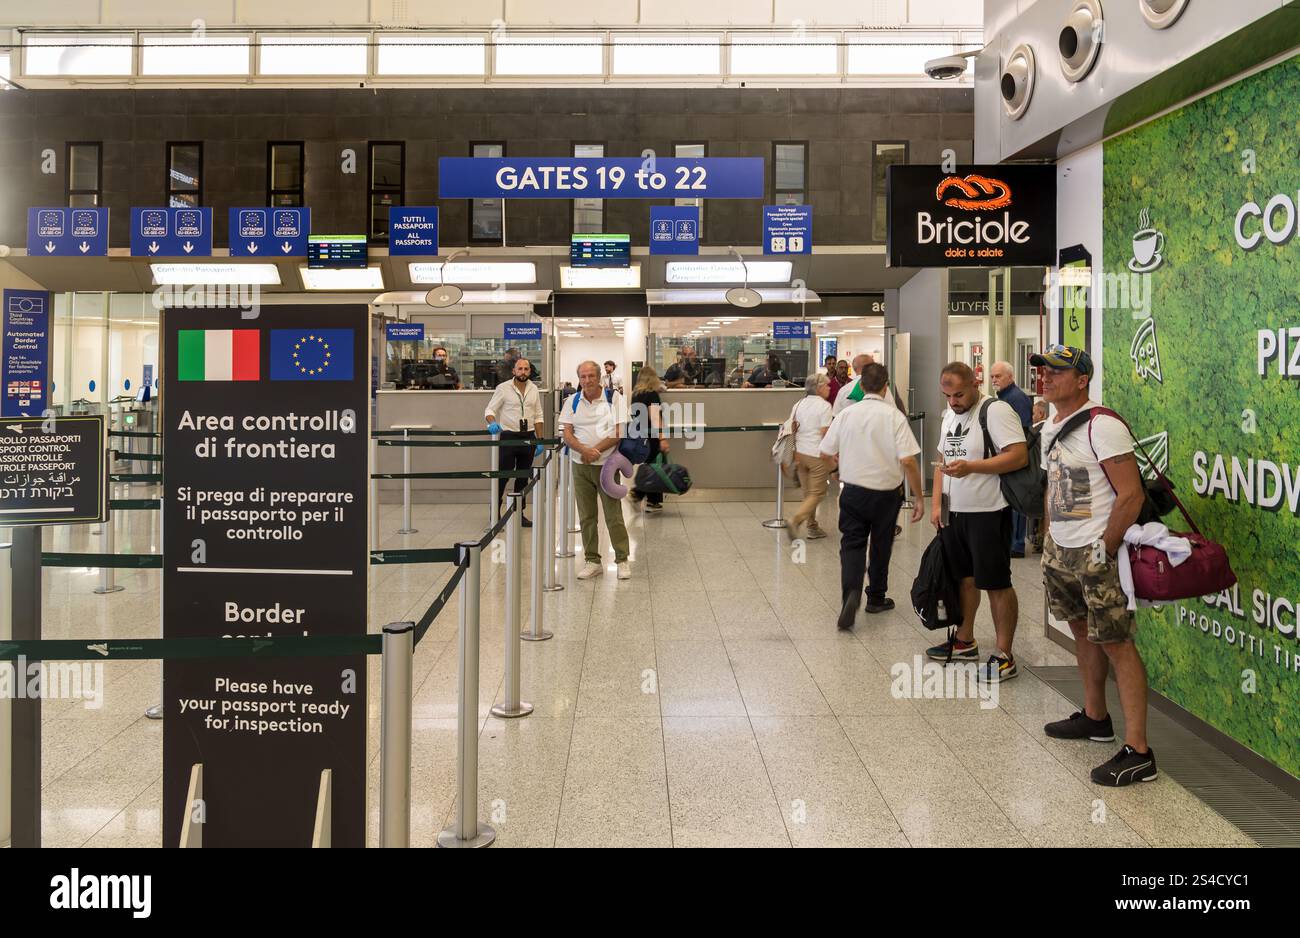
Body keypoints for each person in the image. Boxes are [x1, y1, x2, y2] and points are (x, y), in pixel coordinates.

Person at [1034, 344, 1155, 786]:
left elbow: (1131, 495)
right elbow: (1055, 485)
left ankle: (1139, 752)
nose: (1046, 378)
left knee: (1117, 643)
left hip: (1096, 551)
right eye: (1043, 371)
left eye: (1056, 372)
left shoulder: (1102, 426)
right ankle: (1095, 717)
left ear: (1081, 379)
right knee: (1081, 630)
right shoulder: (1051, 423)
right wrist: (1050, 535)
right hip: (1060, 548)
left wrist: (1104, 546)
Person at [925, 362, 1029, 683]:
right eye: (947, 396)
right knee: (965, 579)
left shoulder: (995, 411)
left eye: (958, 394)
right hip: (956, 513)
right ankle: (966, 640)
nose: (953, 401)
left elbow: (1018, 455)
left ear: (975, 383)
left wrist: (973, 467)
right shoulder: (949, 416)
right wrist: (937, 504)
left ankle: (1003, 654)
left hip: (989, 512)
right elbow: (941, 461)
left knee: (996, 582)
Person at [820, 363, 924, 631]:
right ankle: (876, 597)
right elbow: (909, 461)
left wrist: (836, 467)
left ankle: (850, 593)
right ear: (886, 386)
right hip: (887, 494)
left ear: (862, 386)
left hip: (853, 491)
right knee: (881, 544)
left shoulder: (846, 415)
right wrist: (920, 497)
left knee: (852, 544)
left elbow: (825, 451)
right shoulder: (894, 417)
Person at [561, 360, 632, 580]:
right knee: (586, 516)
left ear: (599, 376)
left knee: (613, 515)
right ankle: (592, 561)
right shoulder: (572, 401)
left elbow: (619, 432)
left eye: (591, 376)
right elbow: (567, 433)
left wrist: (594, 450)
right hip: (580, 466)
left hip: (607, 467)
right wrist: (583, 450)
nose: (587, 380)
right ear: (579, 378)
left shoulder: (614, 399)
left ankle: (622, 560)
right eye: (583, 376)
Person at [484, 357, 544, 527]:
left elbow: (538, 415)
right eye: (520, 369)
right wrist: (492, 422)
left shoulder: (534, 389)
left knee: (523, 479)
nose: (523, 372)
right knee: (502, 478)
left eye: (526, 369)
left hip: (529, 437)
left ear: (530, 371)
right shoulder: (503, 388)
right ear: (514, 371)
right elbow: (490, 409)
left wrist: (540, 440)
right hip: (509, 437)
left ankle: (519, 514)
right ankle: (494, 515)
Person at [991, 360, 1034, 559]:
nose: (994, 380)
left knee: (1017, 501)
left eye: (998, 376)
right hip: (1005, 456)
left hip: (1016, 458)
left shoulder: (1017, 398)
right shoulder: (1002, 398)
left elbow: (1023, 432)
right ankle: (1010, 541)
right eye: (992, 376)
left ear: (1010, 377)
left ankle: (1016, 544)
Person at [787, 373, 834, 538]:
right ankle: (796, 520)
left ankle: (812, 526)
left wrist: (794, 454)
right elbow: (825, 433)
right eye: (827, 386)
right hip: (817, 455)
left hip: (801, 454)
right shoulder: (825, 406)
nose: (829, 388)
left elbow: (792, 429)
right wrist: (832, 455)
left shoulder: (798, 404)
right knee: (817, 493)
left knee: (808, 494)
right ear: (819, 388)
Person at [628, 366, 670, 514]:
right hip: (652, 436)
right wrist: (662, 438)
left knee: (652, 466)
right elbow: (654, 417)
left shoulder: (636, 394)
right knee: (655, 468)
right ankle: (637, 493)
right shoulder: (652, 395)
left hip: (641, 435)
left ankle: (653, 500)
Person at [1030, 397, 1049, 553]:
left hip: (1037, 476)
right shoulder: (1050, 429)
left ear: (1042, 414)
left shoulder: (1036, 431)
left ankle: (1040, 539)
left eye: (1034, 413)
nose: (1032, 416)